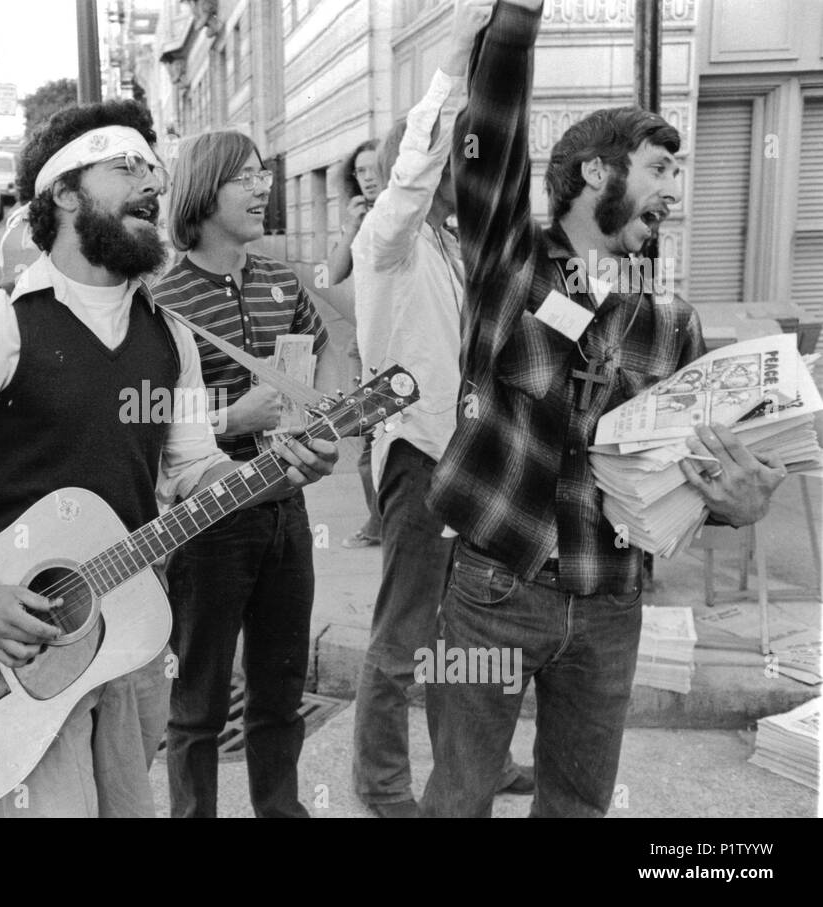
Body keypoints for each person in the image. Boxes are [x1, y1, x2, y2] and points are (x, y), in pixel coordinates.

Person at [0, 100, 338, 818]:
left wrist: (282, 472)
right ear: (65, 192)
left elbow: (197, 472)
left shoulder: (175, 337)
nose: (152, 182)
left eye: (155, 169)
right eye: (126, 164)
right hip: (17, 646)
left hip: (130, 639)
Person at [422, 0, 787, 817]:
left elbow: (710, 471)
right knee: (457, 797)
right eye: (660, 168)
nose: (674, 192)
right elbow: (492, 138)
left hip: (614, 601)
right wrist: (513, 22)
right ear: (596, 172)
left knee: (581, 805)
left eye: (677, 176)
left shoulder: (674, 321)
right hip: (492, 593)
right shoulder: (509, 269)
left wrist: (744, 498)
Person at [348, 0, 535, 819]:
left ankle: (476, 766)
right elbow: (413, 172)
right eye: (464, 150)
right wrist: (453, 66)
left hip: (472, 460)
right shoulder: (386, 242)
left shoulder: (462, 248)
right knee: (401, 641)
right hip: (420, 462)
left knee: (465, 641)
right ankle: (380, 787)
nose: (472, 162)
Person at [152, 129, 339, 818]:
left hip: (286, 508)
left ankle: (281, 811)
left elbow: (321, 372)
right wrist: (233, 416)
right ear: (203, 192)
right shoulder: (163, 300)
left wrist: (322, 433)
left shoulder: (281, 282)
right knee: (197, 701)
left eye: (265, 175)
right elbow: (151, 417)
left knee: (281, 690)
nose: (263, 188)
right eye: (245, 178)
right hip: (208, 519)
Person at [328, 139, 384, 549]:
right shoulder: (361, 220)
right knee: (367, 441)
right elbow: (327, 276)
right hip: (364, 349)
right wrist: (350, 228)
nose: (366, 178)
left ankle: (384, 524)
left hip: (398, 346)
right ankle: (380, 522)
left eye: (373, 168)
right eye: (360, 171)